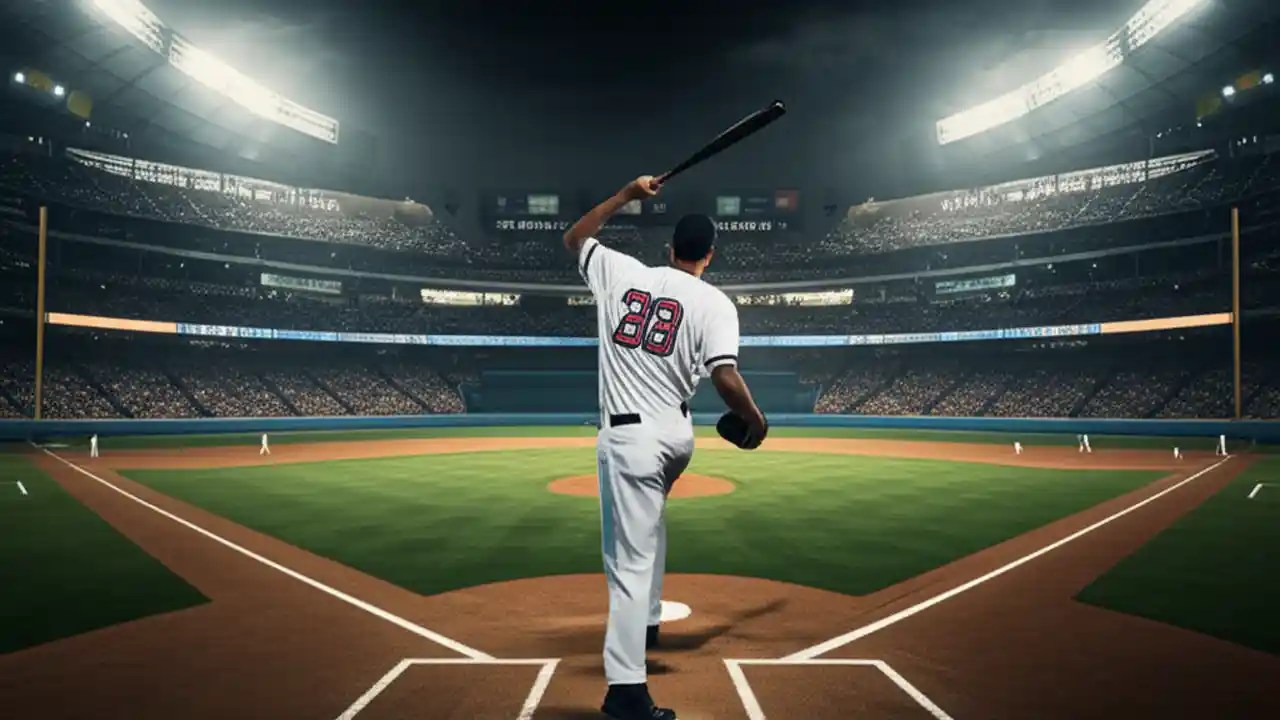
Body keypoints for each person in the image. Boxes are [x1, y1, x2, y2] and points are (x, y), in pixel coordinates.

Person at [564, 175, 766, 720]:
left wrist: (625, 197)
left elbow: (576, 236)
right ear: (710, 256)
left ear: (669, 249)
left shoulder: (623, 271)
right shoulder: (716, 301)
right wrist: (756, 418)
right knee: (653, 527)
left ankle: (625, 692)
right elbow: (724, 377)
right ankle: (648, 620)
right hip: (676, 438)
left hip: (630, 438)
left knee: (627, 561)